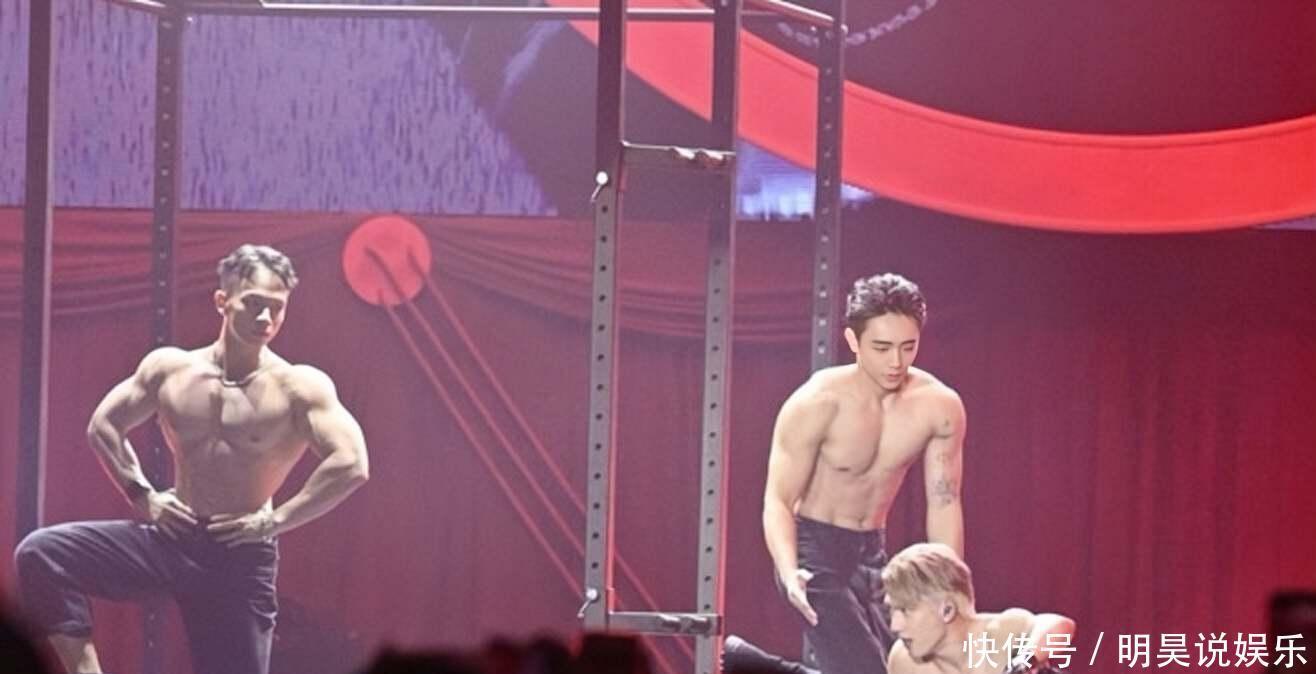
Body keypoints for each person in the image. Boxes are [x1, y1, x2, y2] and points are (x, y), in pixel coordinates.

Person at [13, 244, 370, 674]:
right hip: (174, 537)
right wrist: (143, 497)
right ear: (222, 301)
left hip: (238, 556)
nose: (265, 318)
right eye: (253, 304)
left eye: (277, 308)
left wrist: (273, 522)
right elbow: (103, 426)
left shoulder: (298, 387)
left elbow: (351, 463)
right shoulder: (171, 370)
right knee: (42, 554)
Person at [755, 272, 967, 674]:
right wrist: (787, 570)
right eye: (881, 348)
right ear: (853, 341)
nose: (896, 362)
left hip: (873, 552)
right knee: (864, 669)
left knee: (907, 666)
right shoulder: (817, 402)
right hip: (813, 549)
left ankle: (751, 666)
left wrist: (949, 587)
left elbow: (944, 500)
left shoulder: (939, 406)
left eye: (908, 347)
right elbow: (778, 499)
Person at [883, 543, 1075, 674]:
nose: (894, 626)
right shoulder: (903, 661)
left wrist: (1022, 665)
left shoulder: (999, 633)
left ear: (947, 610)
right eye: (892, 610)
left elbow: (1059, 626)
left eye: (906, 610)